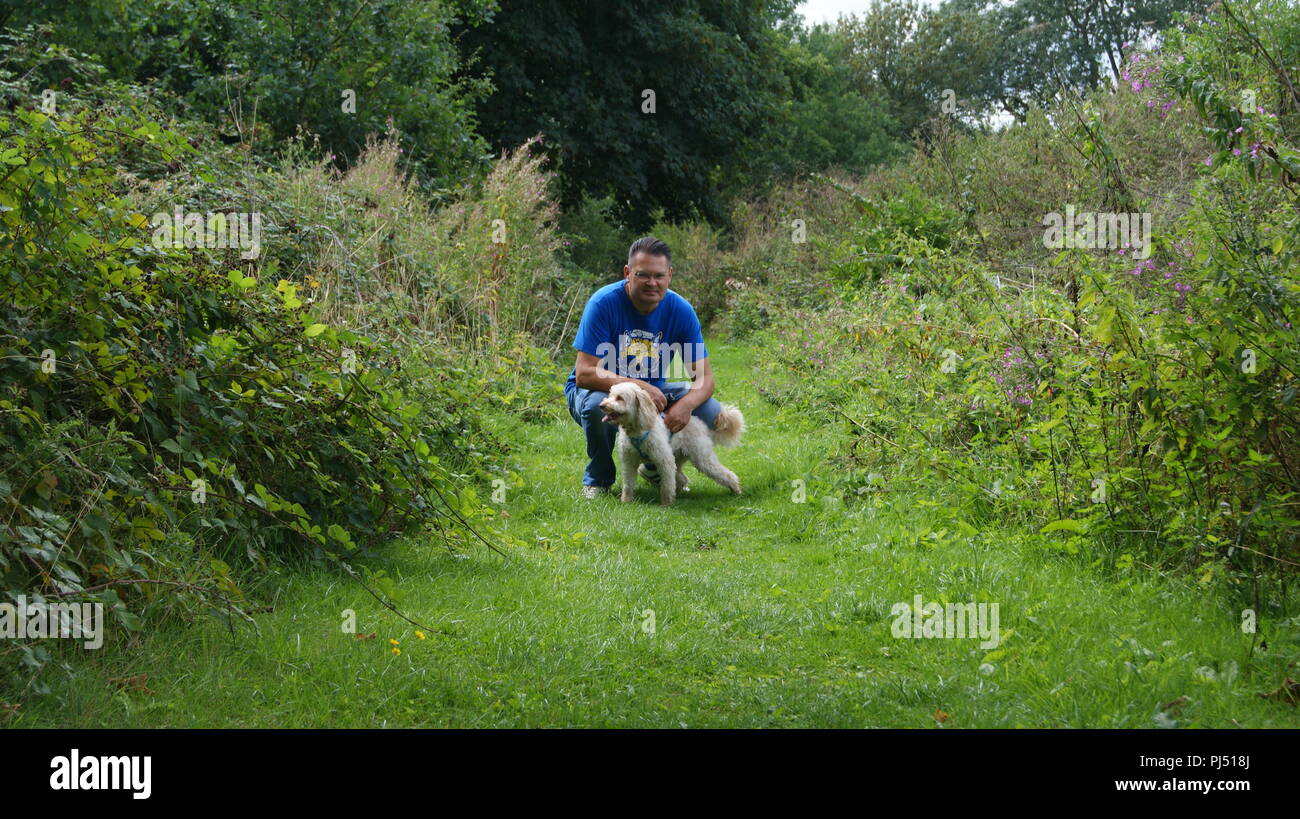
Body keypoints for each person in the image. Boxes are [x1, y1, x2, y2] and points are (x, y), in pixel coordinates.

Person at [564, 236, 723, 498]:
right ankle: (598, 480)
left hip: (651, 393)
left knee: (709, 411)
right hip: (595, 390)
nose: (652, 283)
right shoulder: (603, 303)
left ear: (669, 275)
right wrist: (643, 386)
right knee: (597, 408)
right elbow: (585, 373)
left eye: (659, 276)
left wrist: (684, 405)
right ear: (628, 273)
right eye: (643, 275)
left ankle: (652, 465)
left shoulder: (681, 310)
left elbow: (704, 379)